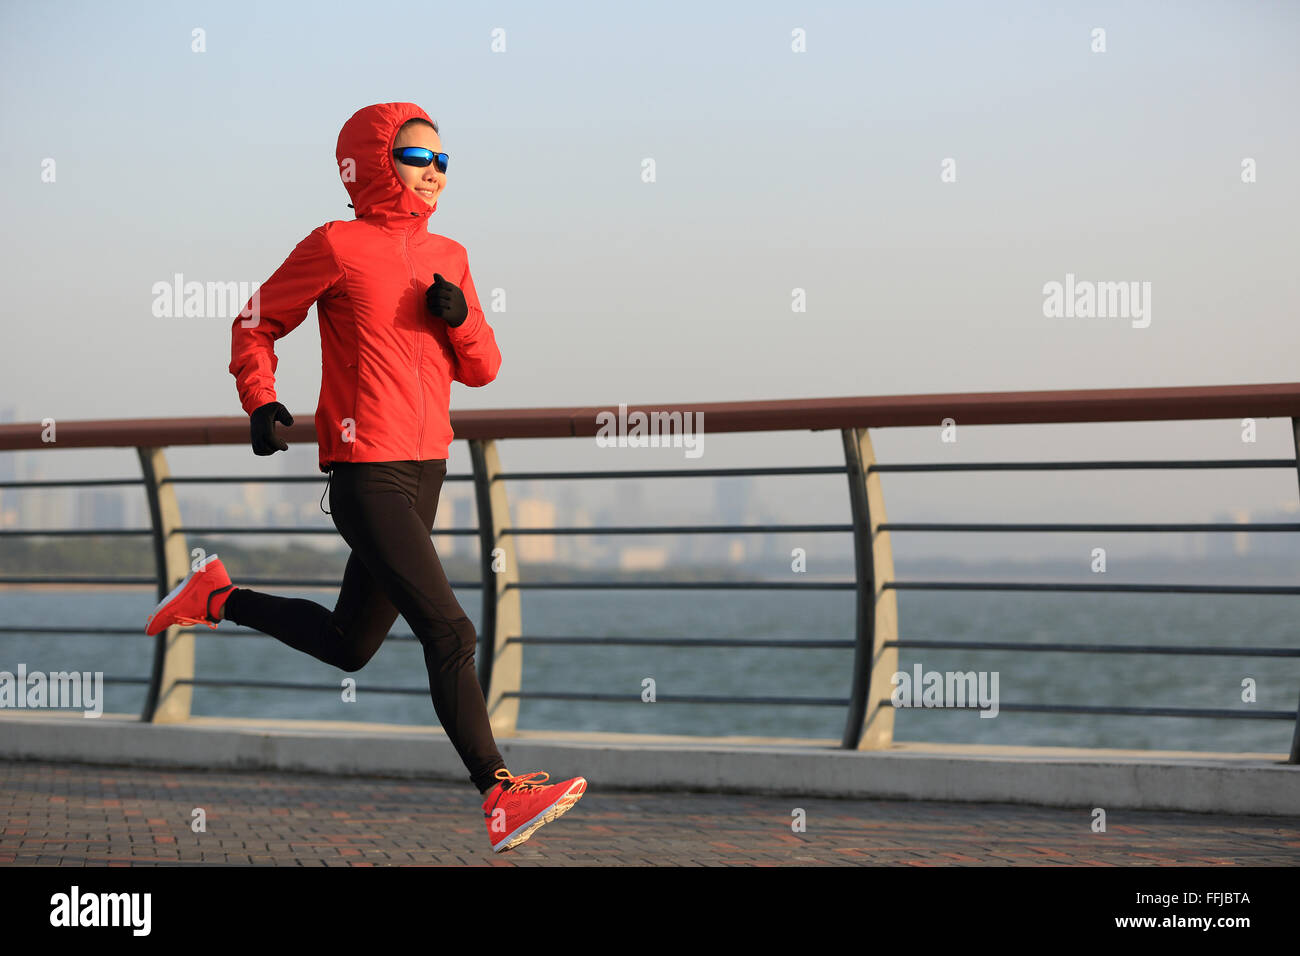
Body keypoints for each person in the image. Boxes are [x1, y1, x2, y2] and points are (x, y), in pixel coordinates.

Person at [144, 102, 586, 854]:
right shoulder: (337, 244)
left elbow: (483, 369)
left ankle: (215, 595)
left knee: (350, 645)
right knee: (450, 630)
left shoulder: (453, 253)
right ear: (378, 163)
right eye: (419, 158)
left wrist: (461, 320)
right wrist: (262, 399)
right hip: (367, 472)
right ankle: (500, 792)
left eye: (445, 160)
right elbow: (255, 321)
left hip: (426, 472)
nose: (435, 172)